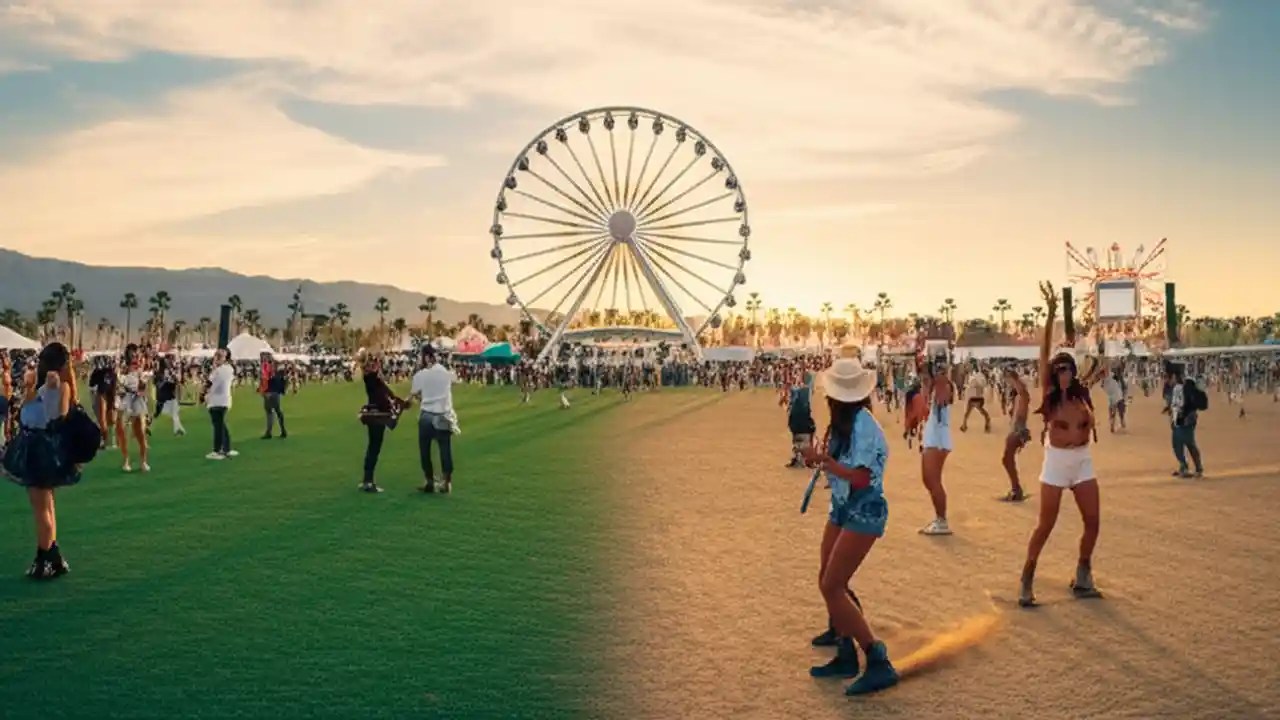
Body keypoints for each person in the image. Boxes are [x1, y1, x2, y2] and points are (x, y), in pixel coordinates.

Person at [800, 357, 899, 696]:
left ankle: (877, 658)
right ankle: (845, 649)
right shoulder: (843, 423)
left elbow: (861, 477)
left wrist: (827, 462)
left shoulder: (864, 425)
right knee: (827, 578)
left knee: (832, 584)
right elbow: (843, 470)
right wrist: (819, 460)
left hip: (865, 510)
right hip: (843, 508)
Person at [1019, 281, 1102, 607]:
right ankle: (1027, 577)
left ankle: (1082, 573)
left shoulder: (1082, 397)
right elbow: (1043, 353)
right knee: (1045, 525)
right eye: (1060, 369)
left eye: (1068, 369)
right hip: (1056, 463)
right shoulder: (1049, 398)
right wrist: (1052, 310)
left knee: (1093, 521)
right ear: (1054, 373)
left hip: (1082, 460)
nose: (1064, 374)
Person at [2, 342, 81, 579]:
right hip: (39, 447)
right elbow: (26, 412)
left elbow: (56, 416)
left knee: (41, 507)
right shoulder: (44, 385)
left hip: (41, 449)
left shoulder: (59, 387)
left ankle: (46, 556)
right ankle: (51, 556)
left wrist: (46, 390)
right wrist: (30, 387)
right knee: (45, 506)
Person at [409, 346, 457, 493]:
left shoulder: (420, 375)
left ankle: (429, 481)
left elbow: (412, 396)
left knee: (425, 450)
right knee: (445, 450)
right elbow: (453, 382)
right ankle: (446, 482)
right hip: (443, 414)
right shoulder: (446, 373)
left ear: (427, 357)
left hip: (426, 415)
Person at [359, 352, 406, 493]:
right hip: (377, 417)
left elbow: (389, 394)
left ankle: (367, 479)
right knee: (374, 448)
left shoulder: (374, 380)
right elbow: (386, 393)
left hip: (375, 415)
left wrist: (399, 401)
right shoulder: (373, 379)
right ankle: (368, 481)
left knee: (372, 448)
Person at [919, 357, 954, 535]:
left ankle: (942, 520)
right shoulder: (935, 386)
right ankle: (939, 519)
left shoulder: (943, 385)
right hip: (933, 435)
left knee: (933, 479)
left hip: (938, 438)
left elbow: (941, 402)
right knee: (928, 479)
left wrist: (936, 380)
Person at [1164, 363, 1205, 478]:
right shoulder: (1174, 388)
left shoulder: (1186, 385)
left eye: (1168, 377)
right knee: (1177, 444)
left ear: (1173, 376)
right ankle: (1184, 466)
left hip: (1187, 419)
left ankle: (1197, 468)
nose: (1167, 380)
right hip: (1178, 419)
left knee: (1189, 443)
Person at [116, 344, 151, 473]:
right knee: (122, 431)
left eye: (135, 353)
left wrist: (141, 390)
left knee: (140, 432)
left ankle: (143, 461)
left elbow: (144, 386)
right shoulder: (122, 369)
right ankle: (126, 460)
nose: (134, 356)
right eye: (131, 353)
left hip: (137, 400)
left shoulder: (140, 368)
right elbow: (118, 385)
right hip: (125, 400)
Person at [1000, 366, 1031, 502]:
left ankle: (1016, 489)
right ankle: (1016, 488)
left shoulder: (1022, 394)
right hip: (1016, 429)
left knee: (1007, 460)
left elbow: (1022, 390)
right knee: (1008, 460)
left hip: (1018, 430)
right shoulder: (1018, 396)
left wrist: (1014, 379)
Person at [205, 348, 237, 460]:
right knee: (222, 425)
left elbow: (209, 383)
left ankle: (217, 451)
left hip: (215, 401)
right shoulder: (229, 369)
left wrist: (203, 395)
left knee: (218, 426)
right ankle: (226, 448)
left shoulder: (217, 371)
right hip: (225, 400)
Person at [787, 371, 816, 469]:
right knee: (805, 439)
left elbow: (792, 405)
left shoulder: (799, 391)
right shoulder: (806, 391)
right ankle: (806, 460)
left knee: (798, 440)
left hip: (795, 421)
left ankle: (799, 458)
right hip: (802, 420)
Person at [155, 355, 186, 437]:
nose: (169, 362)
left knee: (175, 414)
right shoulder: (162, 373)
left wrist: (174, 377)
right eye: (167, 361)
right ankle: (179, 430)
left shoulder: (168, 371)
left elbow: (175, 382)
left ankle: (179, 430)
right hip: (167, 396)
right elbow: (161, 385)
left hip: (168, 395)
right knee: (174, 414)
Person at [261, 354, 288, 439]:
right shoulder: (280, 371)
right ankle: (283, 430)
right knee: (278, 411)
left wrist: (263, 391)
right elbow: (284, 381)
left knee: (269, 412)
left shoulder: (268, 369)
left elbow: (265, 380)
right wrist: (283, 390)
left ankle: (269, 432)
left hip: (269, 392)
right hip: (276, 393)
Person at [959, 365, 991, 433]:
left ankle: (964, 426)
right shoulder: (982, 378)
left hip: (974, 398)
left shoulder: (976, 377)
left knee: (968, 413)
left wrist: (967, 385)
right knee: (981, 412)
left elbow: (972, 384)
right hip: (978, 398)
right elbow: (981, 385)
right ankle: (964, 425)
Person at [1102, 367, 1127, 433]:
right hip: (1116, 396)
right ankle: (1115, 424)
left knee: (1115, 411)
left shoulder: (1110, 376)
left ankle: (1115, 423)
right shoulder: (1106, 378)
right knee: (1116, 411)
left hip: (1115, 397)